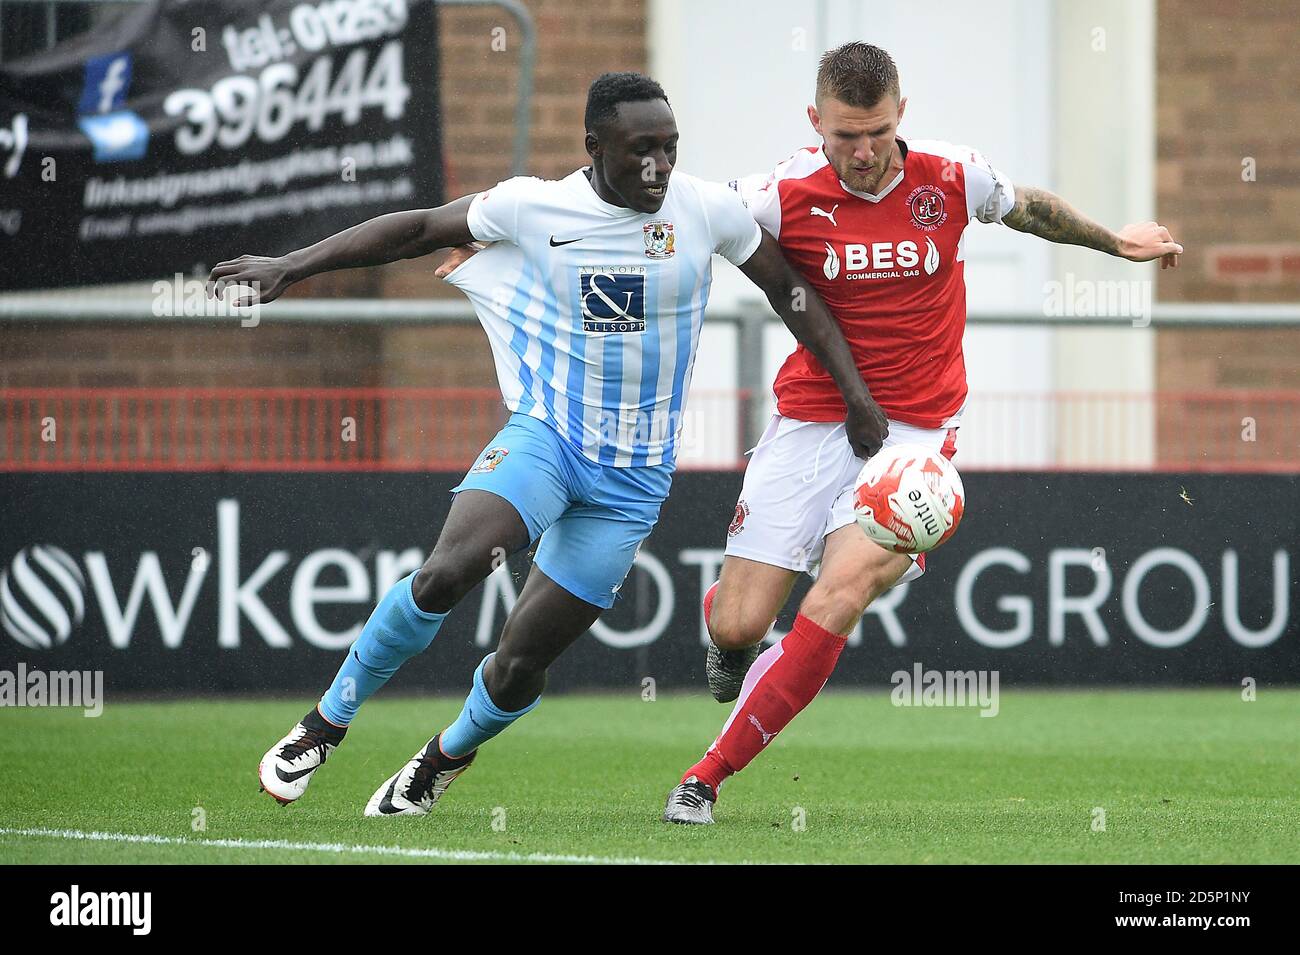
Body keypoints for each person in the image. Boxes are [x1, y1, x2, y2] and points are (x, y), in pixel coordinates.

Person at [207, 71, 885, 816]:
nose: (658, 167)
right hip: (548, 441)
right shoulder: (536, 205)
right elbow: (415, 227)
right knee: (446, 574)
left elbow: (789, 291)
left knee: (518, 663)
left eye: (668, 148)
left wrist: (856, 394)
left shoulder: (706, 211)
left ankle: (443, 756)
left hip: (630, 484)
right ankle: (325, 723)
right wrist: (289, 265)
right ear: (594, 148)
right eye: (639, 151)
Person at [661, 41, 1183, 824]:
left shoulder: (953, 174)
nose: (863, 152)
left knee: (840, 593)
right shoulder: (777, 192)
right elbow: (672, 214)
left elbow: (1029, 209)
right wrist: (501, 241)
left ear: (902, 114)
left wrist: (1115, 241)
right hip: (811, 417)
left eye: (876, 131)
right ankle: (729, 632)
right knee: (739, 619)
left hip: (915, 437)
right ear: (815, 123)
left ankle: (704, 776)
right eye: (844, 136)